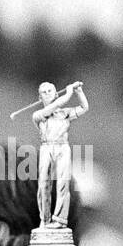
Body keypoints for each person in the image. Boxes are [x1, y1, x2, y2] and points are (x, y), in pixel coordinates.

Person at [31, 81, 88, 228]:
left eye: (50, 91)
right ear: (39, 98)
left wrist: (79, 92)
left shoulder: (65, 113)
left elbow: (84, 107)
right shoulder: (38, 115)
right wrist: (69, 92)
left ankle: (60, 220)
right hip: (47, 147)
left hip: (62, 147)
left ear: (56, 94)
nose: (48, 94)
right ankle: (45, 219)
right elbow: (54, 106)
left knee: (63, 183)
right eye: (44, 92)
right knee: (44, 184)